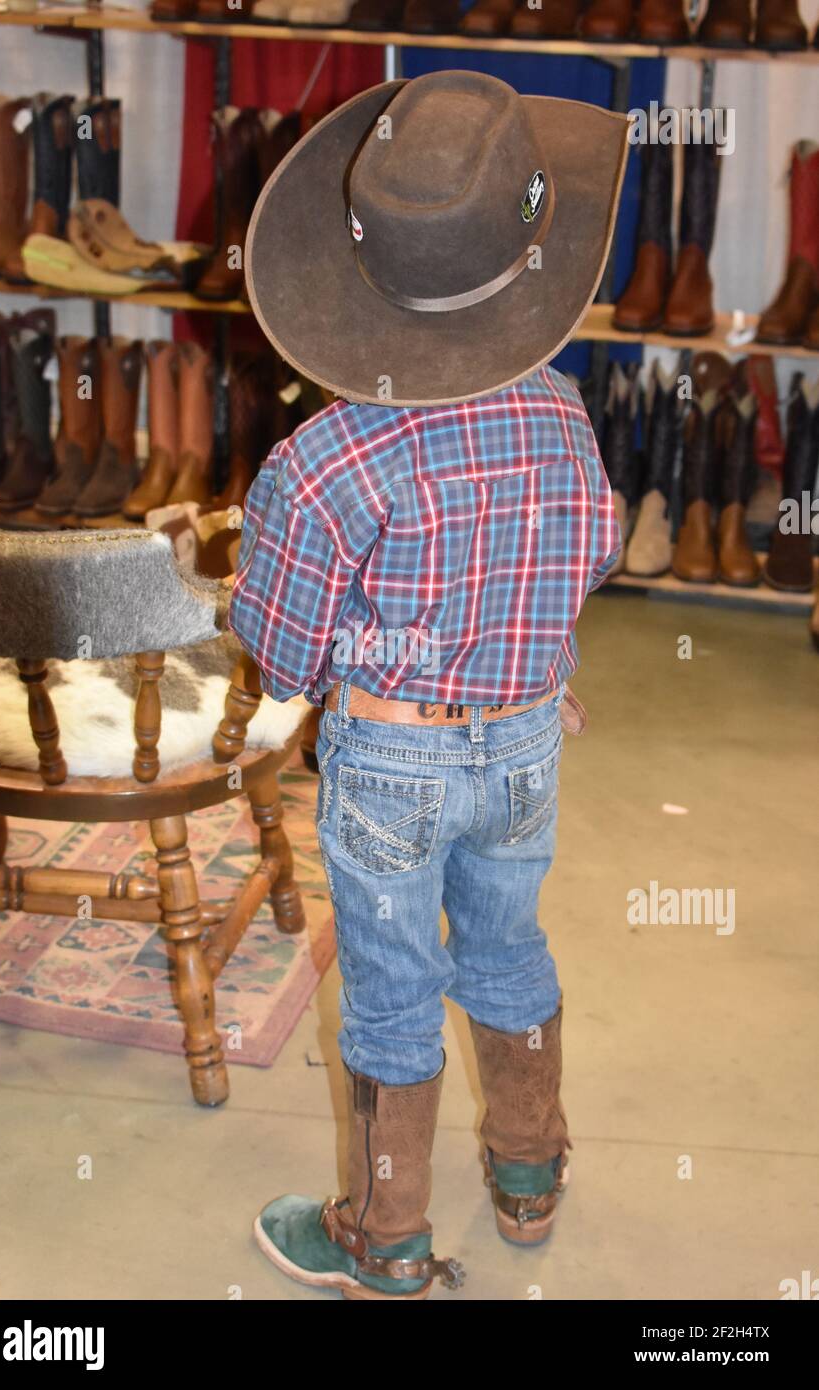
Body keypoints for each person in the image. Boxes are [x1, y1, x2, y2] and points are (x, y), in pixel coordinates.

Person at [230, 68, 629, 1300]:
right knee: (506, 947)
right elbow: (587, 549)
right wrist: (533, 662)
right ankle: (526, 1173)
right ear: (528, 260)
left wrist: (337, 646)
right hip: (519, 744)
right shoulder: (563, 414)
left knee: (394, 987)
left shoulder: (326, 454)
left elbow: (284, 648)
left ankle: (386, 1236)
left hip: (392, 762)